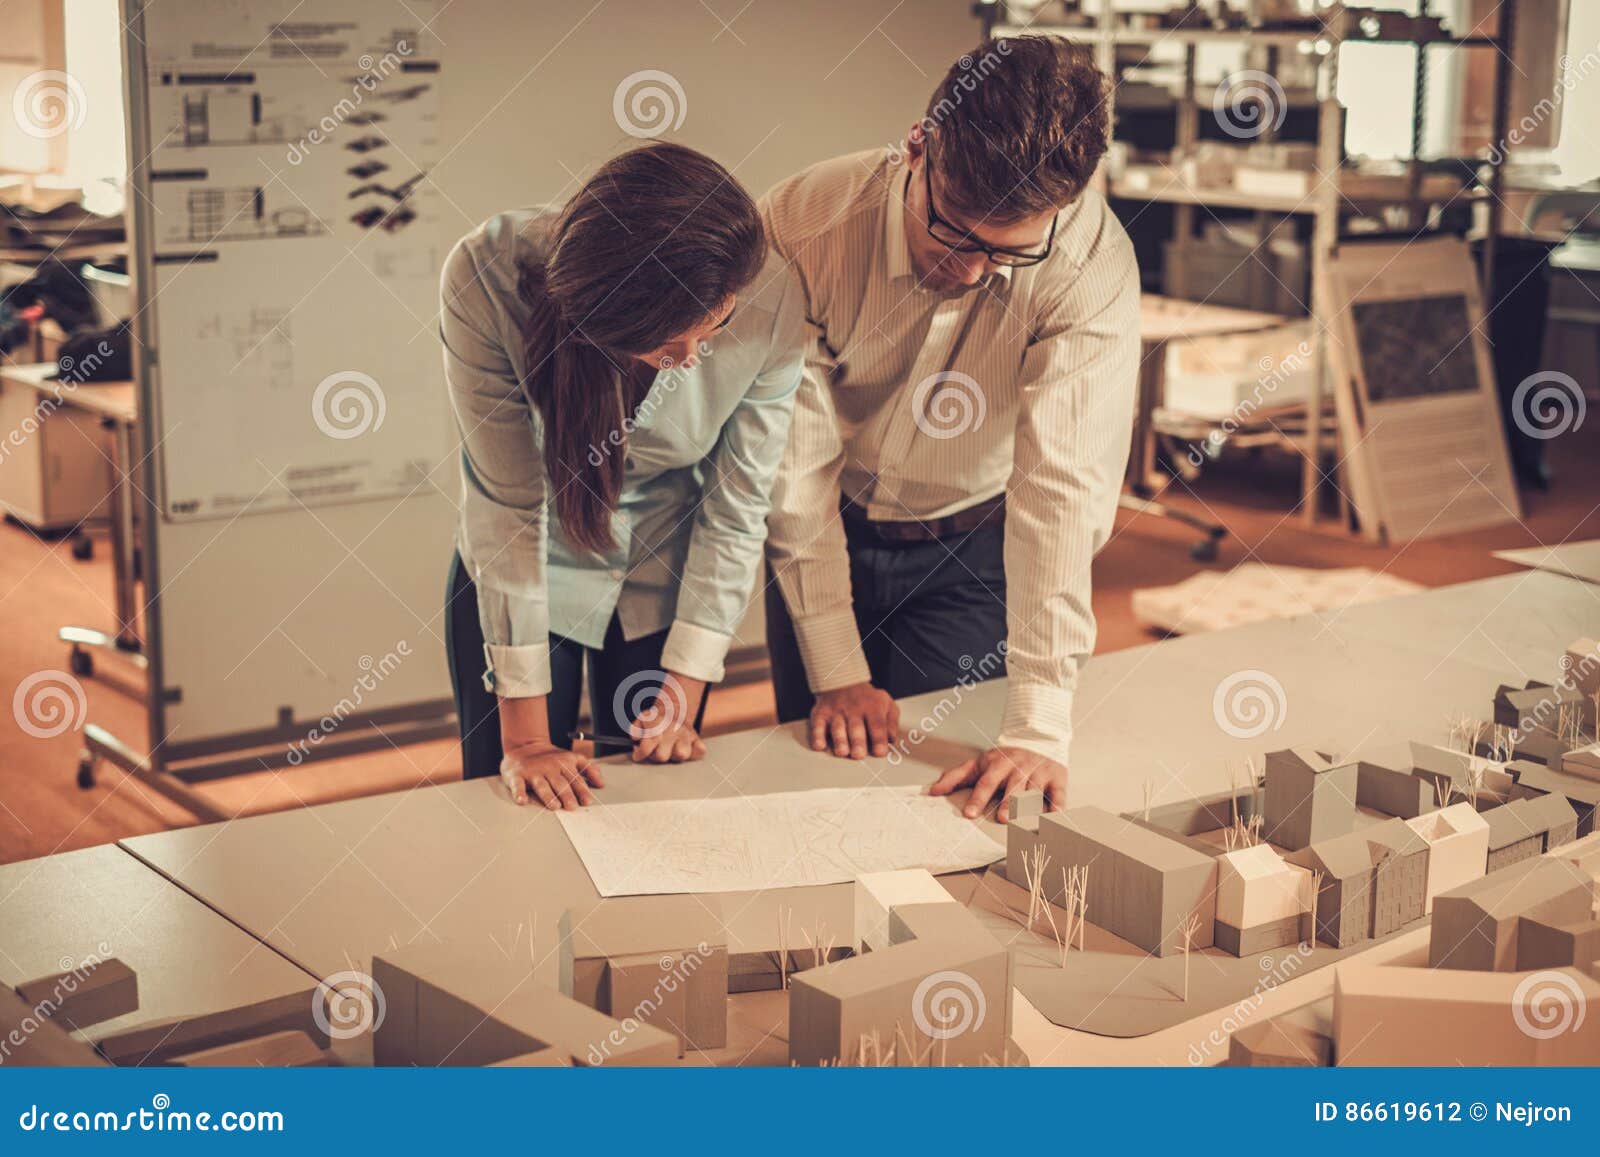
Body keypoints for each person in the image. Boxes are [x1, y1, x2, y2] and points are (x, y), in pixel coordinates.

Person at [760, 36, 1140, 823]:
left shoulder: (1090, 265)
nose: (969, 270)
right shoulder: (804, 224)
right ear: (917, 146)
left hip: (974, 553)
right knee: (815, 786)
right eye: (954, 231)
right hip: (820, 529)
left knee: (939, 805)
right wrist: (835, 664)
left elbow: (1061, 489)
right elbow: (791, 460)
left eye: (1007, 254)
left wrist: (1039, 724)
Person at [442, 142, 805, 809]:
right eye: (668, 341)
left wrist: (689, 680)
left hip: (661, 568)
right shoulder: (484, 275)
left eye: (712, 328)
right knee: (514, 806)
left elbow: (738, 504)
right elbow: (507, 504)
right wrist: (524, 744)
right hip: (522, 564)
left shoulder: (774, 297)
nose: (691, 359)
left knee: (652, 803)